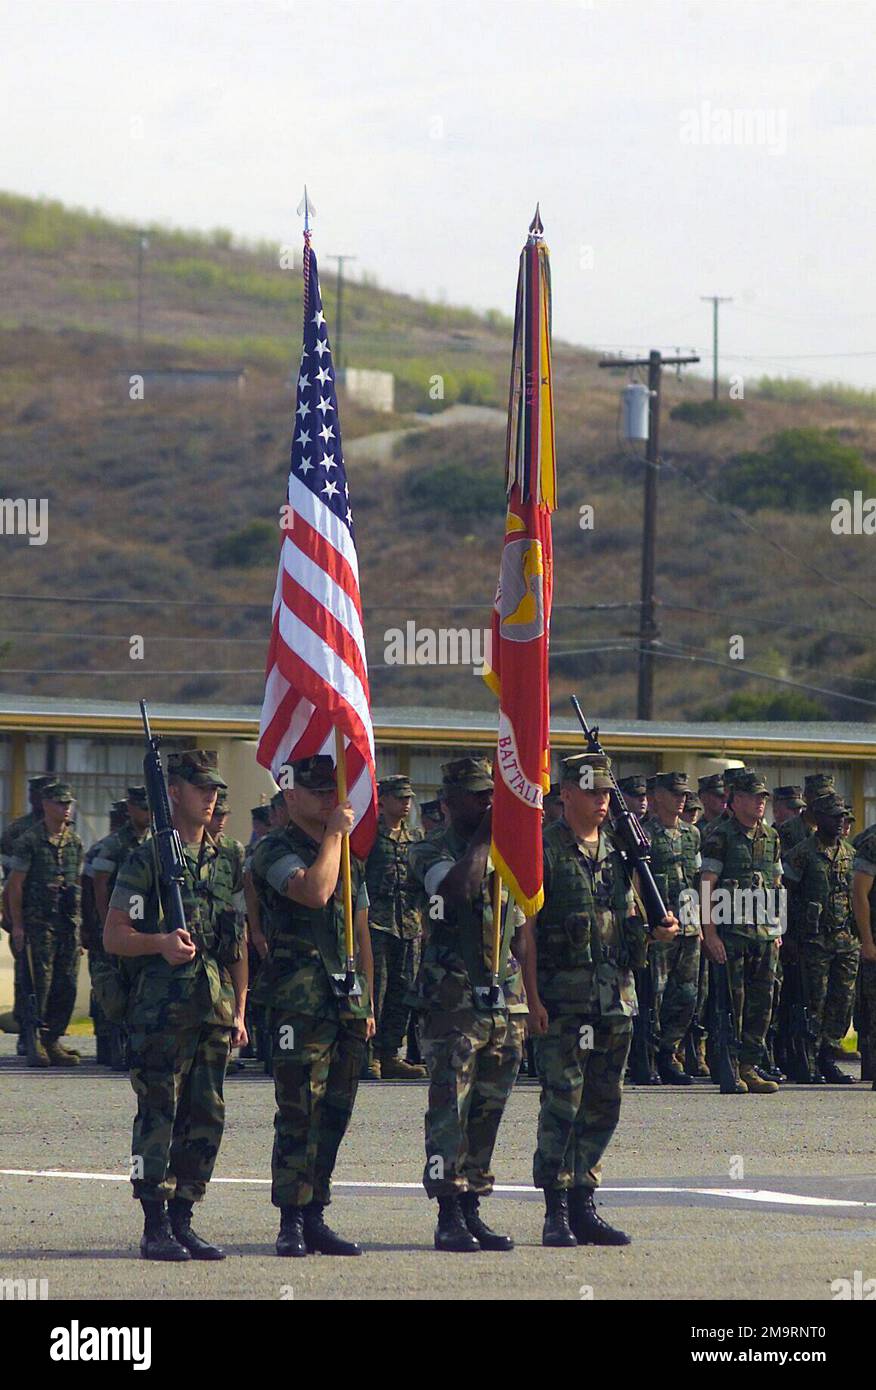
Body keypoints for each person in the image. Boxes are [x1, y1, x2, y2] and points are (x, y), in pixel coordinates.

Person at [522, 753, 678, 1247]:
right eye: (592, 792)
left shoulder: (620, 854)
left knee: (603, 1103)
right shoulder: (544, 850)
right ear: (564, 792)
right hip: (563, 1000)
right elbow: (525, 932)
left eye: (607, 793)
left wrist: (656, 932)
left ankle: (584, 1199)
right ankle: (556, 1208)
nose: (601, 802)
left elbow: (628, 925)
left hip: (615, 999)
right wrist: (530, 997)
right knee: (561, 1104)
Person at [104, 750, 247, 1262]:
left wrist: (241, 1008)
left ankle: (184, 1218)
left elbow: (237, 940)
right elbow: (114, 935)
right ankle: (154, 1223)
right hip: (161, 1013)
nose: (211, 797)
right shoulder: (146, 858)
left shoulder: (229, 855)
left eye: (215, 788)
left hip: (213, 1006)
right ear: (174, 793)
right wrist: (161, 942)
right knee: (159, 1115)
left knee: (206, 1115)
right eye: (200, 787)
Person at [250, 755, 375, 1258]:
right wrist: (334, 837)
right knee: (299, 1109)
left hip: (343, 1001)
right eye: (318, 791)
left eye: (333, 790)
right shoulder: (274, 849)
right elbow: (317, 892)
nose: (330, 798)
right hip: (298, 1001)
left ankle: (316, 1210)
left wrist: (368, 998)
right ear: (291, 795)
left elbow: (362, 930)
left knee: (335, 1111)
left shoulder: (346, 852)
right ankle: (291, 1218)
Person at [408, 757, 527, 1253]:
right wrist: (487, 836)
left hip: (502, 998)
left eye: (490, 795)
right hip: (451, 1001)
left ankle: (474, 1203)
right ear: (449, 802)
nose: (486, 803)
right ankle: (448, 1211)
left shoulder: (503, 850)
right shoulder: (429, 850)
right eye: (477, 796)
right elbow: (459, 889)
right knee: (449, 1110)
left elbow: (522, 926)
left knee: (488, 1109)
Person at [700, 771, 782, 1094]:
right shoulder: (720, 835)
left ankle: (749, 1066)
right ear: (736, 799)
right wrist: (710, 934)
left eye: (763, 797)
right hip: (731, 935)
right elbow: (707, 885)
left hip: (763, 935)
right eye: (755, 796)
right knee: (732, 1003)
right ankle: (729, 1066)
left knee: (762, 1003)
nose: (761, 802)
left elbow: (776, 885)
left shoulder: (771, 837)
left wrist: (777, 927)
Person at [6, 779, 83, 1069]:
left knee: (67, 982)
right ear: (46, 805)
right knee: (39, 982)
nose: (65, 809)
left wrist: (81, 926)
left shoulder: (74, 842)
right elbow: (15, 886)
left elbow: (76, 882)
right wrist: (18, 926)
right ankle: (34, 1038)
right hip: (39, 923)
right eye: (60, 803)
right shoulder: (29, 840)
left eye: (68, 804)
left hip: (67, 923)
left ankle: (52, 1039)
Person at [783, 792, 858, 1084]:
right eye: (834, 816)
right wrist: (788, 936)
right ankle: (807, 1060)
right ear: (819, 818)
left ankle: (829, 1056)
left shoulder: (850, 854)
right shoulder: (802, 853)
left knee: (842, 1001)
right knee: (814, 1001)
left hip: (845, 941)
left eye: (843, 816)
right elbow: (785, 895)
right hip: (814, 941)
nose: (840, 821)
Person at [364, 775, 427, 1080]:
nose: (406, 804)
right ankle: (370, 1053)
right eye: (400, 798)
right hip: (377, 922)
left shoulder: (416, 838)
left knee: (404, 989)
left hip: (409, 924)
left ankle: (391, 1053)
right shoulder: (369, 837)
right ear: (383, 800)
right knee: (377, 987)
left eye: (408, 798)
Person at [643, 772, 702, 1085]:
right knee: (655, 992)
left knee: (687, 994)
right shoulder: (644, 833)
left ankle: (669, 1053)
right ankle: (647, 1057)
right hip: (661, 926)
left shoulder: (693, 834)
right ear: (659, 796)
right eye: (675, 793)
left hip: (689, 926)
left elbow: (696, 881)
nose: (682, 799)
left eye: (684, 794)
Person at [1, 774, 54, 1054]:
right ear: (33, 796)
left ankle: (48, 1035)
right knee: (26, 976)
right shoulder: (15, 832)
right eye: (39, 793)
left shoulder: (59, 828)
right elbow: (8, 879)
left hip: (54, 919)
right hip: (23, 913)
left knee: (52, 978)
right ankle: (26, 1032)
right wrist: (10, 915)